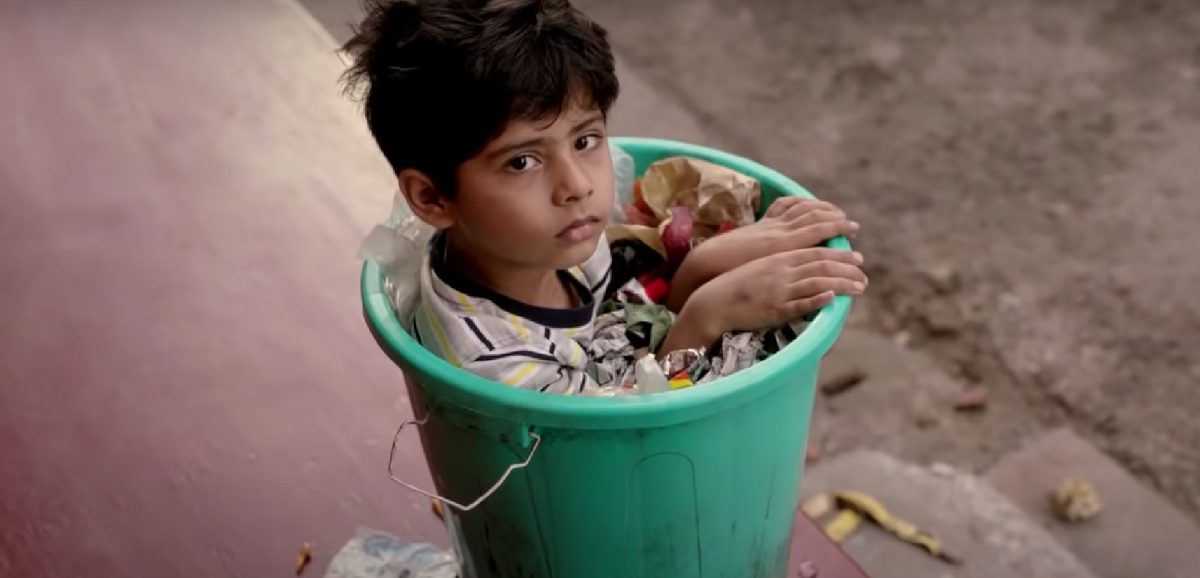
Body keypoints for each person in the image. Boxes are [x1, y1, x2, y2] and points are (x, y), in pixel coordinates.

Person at [341, 0, 867, 394]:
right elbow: (614, 442)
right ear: (432, 199)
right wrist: (705, 317)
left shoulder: (546, 243)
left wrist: (696, 269)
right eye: (522, 161)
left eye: (585, 140)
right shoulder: (496, 364)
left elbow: (611, 321)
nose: (578, 185)